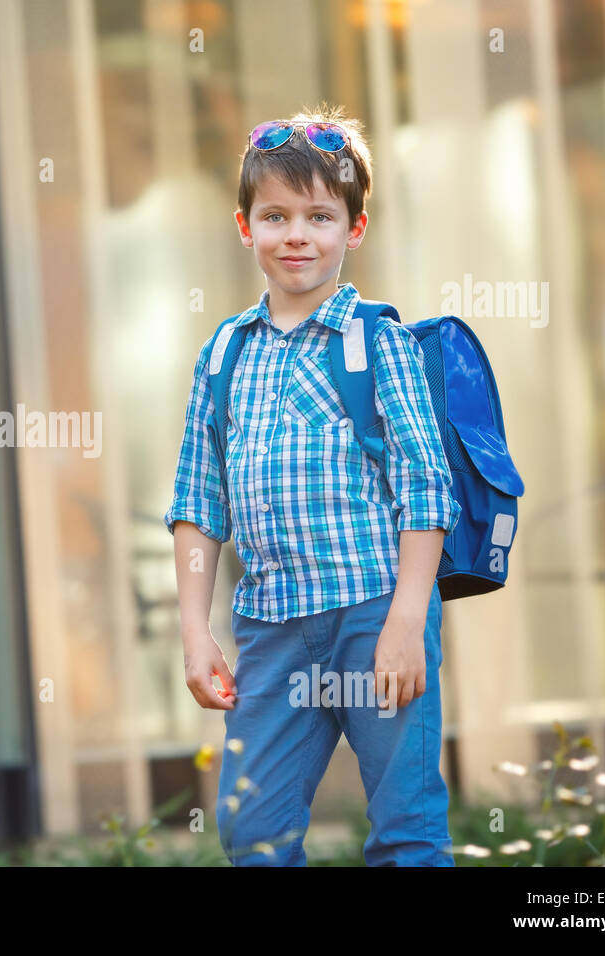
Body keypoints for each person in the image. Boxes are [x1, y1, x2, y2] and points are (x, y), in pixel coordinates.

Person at [163, 104, 461, 866]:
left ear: (353, 230)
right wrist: (197, 633)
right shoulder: (224, 355)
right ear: (245, 226)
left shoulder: (378, 343)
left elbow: (426, 490)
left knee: (405, 828)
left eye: (320, 216)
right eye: (276, 215)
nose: (297, 233)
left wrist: (406, 620)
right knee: (253, 831)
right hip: (272, 629)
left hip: (374, 613)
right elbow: (199, 505)